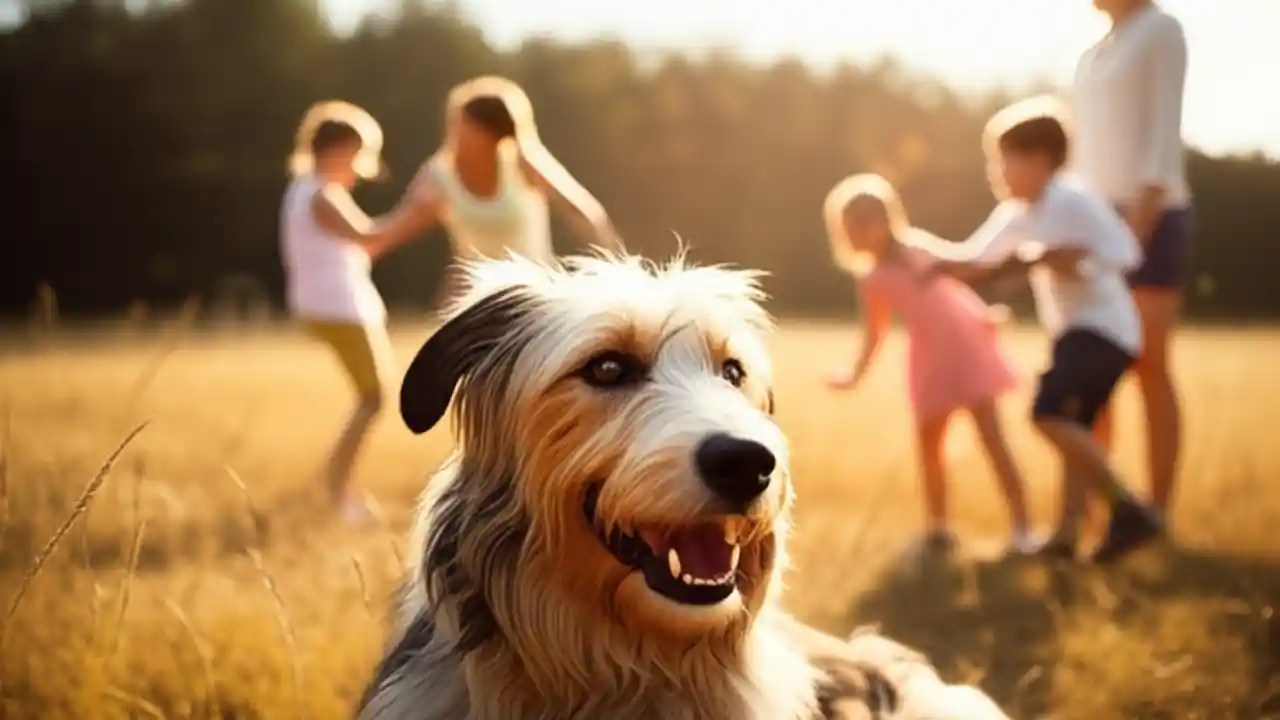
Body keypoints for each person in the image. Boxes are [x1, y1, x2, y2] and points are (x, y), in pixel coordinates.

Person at [933, 97, 1163, 563]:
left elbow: (1125, 253)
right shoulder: (1020, 213)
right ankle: (1066, 537)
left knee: (1049, 415)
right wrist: (912, 254)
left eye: (1003, 161)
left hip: (1103, 330)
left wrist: (1076, 259)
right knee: (1071, 426)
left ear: (1039, 161)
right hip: (1076, 334)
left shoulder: (1072, 201)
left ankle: (1130, 509)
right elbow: (975, 260)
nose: (994, 173)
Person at [823, 173, 1035, 555]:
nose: (860, 232)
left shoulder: (917, 247)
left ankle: (1023, 528)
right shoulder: (873, 278)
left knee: (992, 437)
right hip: (931, 359)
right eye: (851, 226)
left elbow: (958, 278)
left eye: (868, 221)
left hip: (966, 348)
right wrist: (854, 375)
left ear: (888, 218)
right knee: (929, 444)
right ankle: (940, 529)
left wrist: (986, 314)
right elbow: (876, 333)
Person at [280, 100, 430, 523]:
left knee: (371, 397)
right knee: (374, 397)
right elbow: (368, 236)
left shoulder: (303, 190)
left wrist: (411, 219)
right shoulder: (323, 194)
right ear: (341, 148)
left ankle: (333, 484)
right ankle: (336, 489)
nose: (361, 166)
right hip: (338, 306)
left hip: (325, 304)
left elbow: (367, 247)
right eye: (358, 153)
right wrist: (418, 210)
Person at [1074, 0, 1191, 521]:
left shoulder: (1161, 30)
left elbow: (1161, 144)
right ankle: (1113, 511)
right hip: (1096, 221)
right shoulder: (1094, 51)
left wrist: (1130, 237)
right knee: (1095, 371)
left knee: (1148, 365)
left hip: (1151, 218)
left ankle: (1157, 510)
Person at [408, 75, 623, 300]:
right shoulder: (439, 172)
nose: (453, 132)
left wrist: (610, 267)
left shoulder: (523, 164)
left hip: (531, 296)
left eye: (462, 124)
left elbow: (584, 213)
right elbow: (391, 229)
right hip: (476, 299)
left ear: (486, 133)